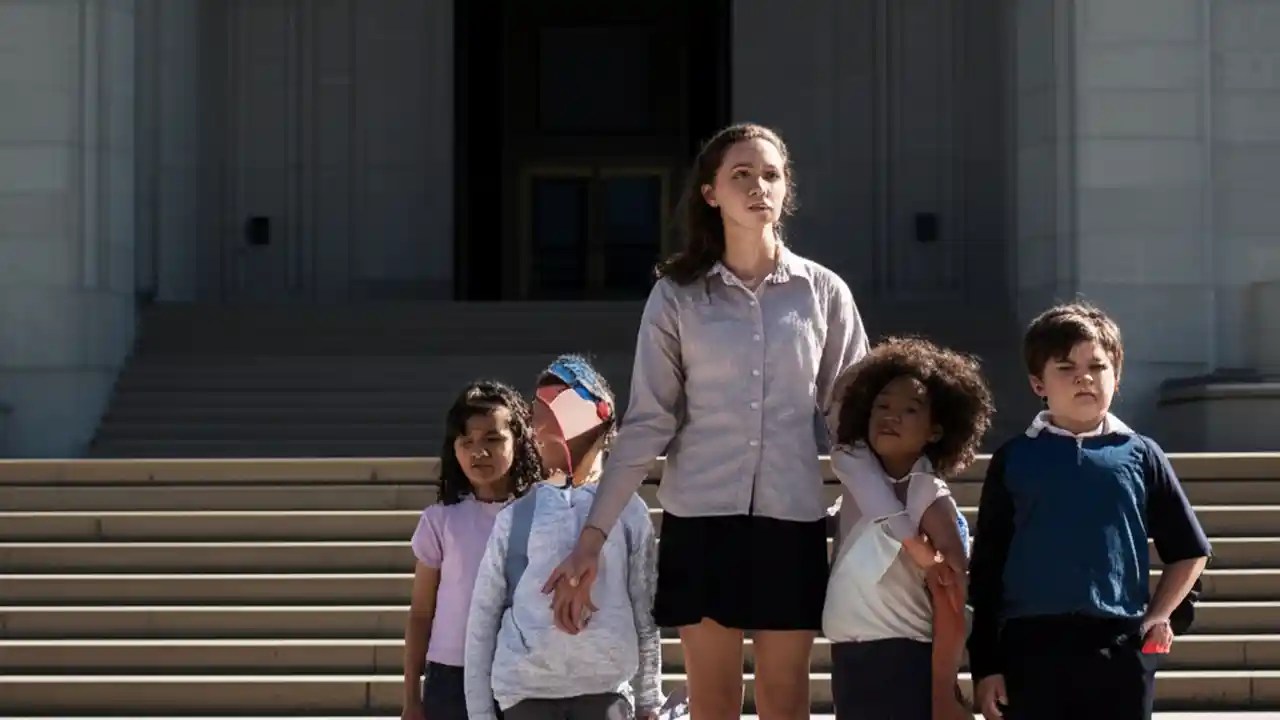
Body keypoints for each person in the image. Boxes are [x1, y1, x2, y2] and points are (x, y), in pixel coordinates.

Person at [543, 122, 869, 719]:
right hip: (701, 520)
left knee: (785, 700)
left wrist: (892, 516)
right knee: (712, 702)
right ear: (711, 193)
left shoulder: (823, 293)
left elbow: (853, 424)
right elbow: (648, 422)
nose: (759, 187)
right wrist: (592, 539)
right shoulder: (676, 296)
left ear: (786, 188)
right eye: (741, 175)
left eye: (771, 175)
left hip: (791, 519)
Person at [968, 302, 1213, 720]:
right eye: (1066, 368)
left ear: (1116, 378)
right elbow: (987, 570)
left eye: (1097, 367)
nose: (1084, 377)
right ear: (1037, 383)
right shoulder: (1014, 459)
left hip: (1119, 648)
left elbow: (1189, 550)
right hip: (1031, 649)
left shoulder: (1141, 454)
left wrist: (1158, 616)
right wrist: (987, 665)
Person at [464, 355, 662, 720]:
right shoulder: (515, 517)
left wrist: (649, 699)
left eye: (548, 412)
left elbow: (644, 608)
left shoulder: (630, 512)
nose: (535, 427)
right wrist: (480, 714)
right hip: (525, 692)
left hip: (605, 691)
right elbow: (483, 619)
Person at [821, 337, 993, 720]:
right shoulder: (858, 478)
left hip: (904, 658)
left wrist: (943, 691)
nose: (891, 416)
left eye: (910, 409)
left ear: (936, 431)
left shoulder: (931, 499)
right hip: (849, 657)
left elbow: (952, 604)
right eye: (881, 405)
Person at [402, 381, 546, 720]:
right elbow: (421, 613)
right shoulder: (440, 520)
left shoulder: (542, 514)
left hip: (524, 672)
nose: (479, 452)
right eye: (467, 442)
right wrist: (411, 698)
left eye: (493, 439)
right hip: (451, 676)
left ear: (519, 441)